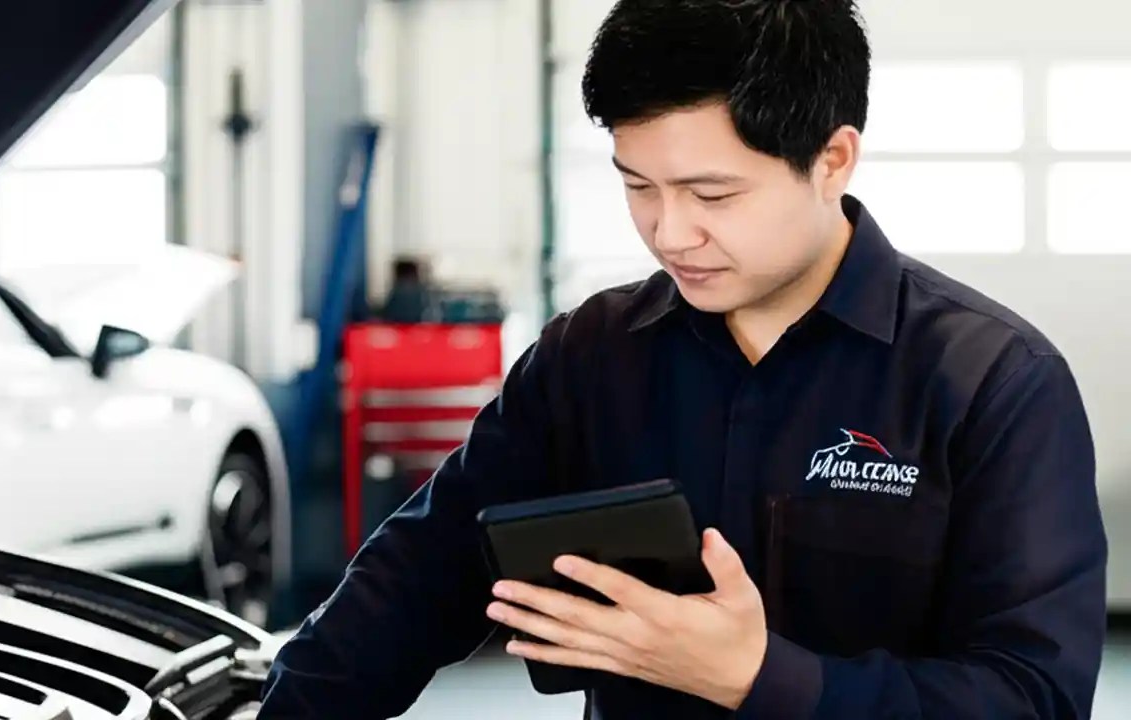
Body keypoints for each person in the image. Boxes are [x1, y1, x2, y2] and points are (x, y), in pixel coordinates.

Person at [259, 0, 1108, 717]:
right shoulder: (590, 356)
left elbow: (1032, 694)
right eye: (638, 186)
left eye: (712, 194)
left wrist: (760, 677)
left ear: (832, 159)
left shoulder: (992, 383)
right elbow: (418, 576)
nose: (670, 232)